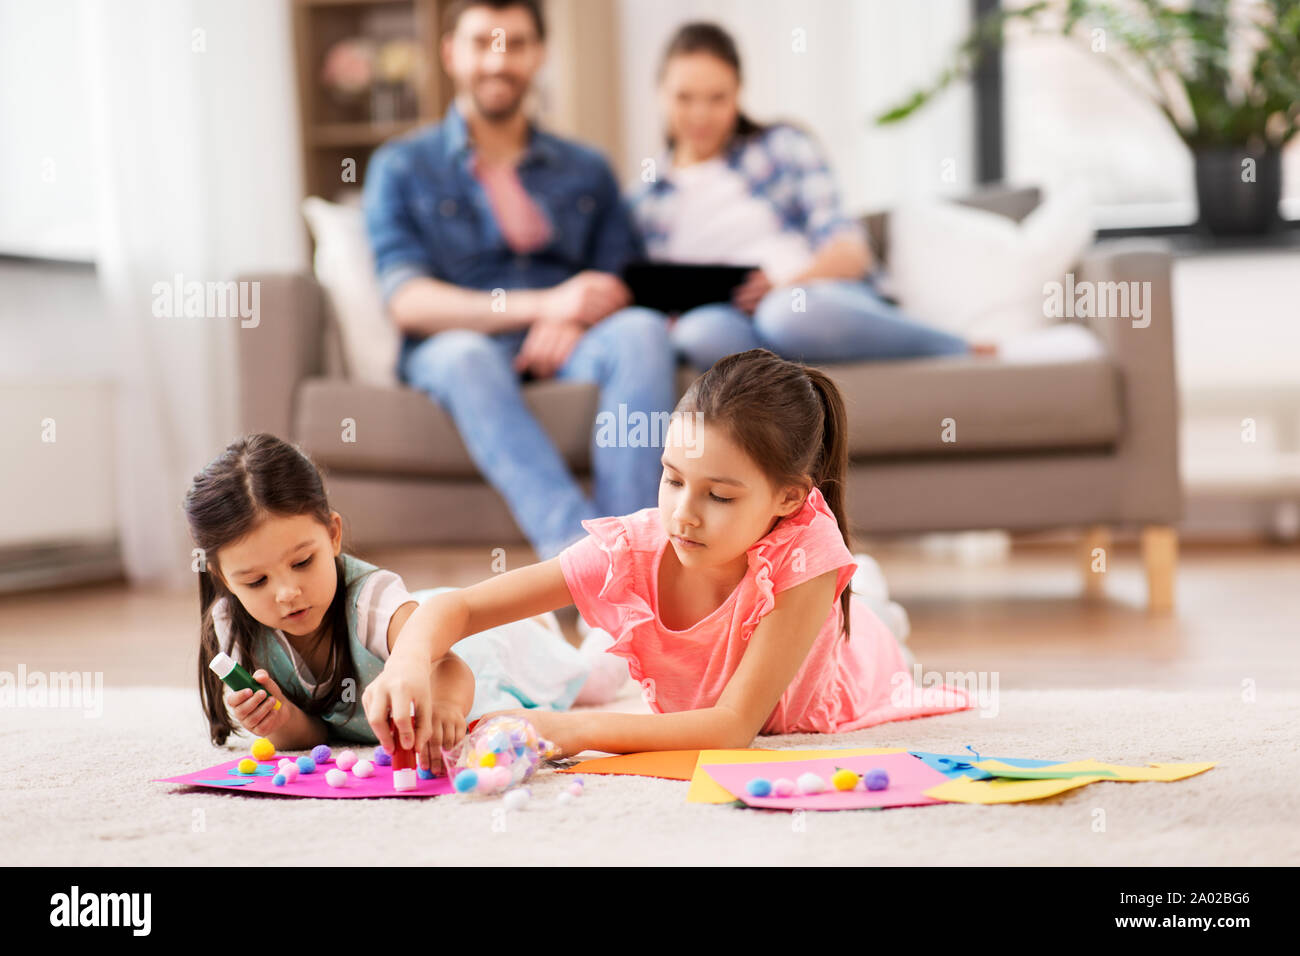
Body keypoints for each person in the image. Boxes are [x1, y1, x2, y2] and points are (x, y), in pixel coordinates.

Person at [360, 350, 973, 761]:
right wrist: (409, 661)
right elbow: (462, 608)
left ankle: (867, 595)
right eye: (672, 478)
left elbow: (732, 728)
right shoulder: (637, 548)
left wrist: (563, 730)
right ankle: (864, 592)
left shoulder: (804, 554)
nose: (684, 512)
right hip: (770, 626)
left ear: (789, 498)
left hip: (846, 669)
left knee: (873, 621)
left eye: (719, 495)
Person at [363, 0, 676, 561]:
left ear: (540, 55)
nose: (498, 60)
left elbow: (621, 279)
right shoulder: (402, 166)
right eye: (483, 42)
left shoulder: (588, 167)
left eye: (516, 43)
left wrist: (573, 314)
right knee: (464, 357)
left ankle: (635, 549)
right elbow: (409, 301)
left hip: (573, 342)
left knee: (642, 332)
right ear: (451, 53)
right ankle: (587, 562)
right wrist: (546, 304)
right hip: (463, 345)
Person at [185, 434, 629, 770]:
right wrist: (277, 720)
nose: (285, 593)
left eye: (302, 562)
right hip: (433, 622)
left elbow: (452, 665)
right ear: (225, 578)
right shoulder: (232, 624)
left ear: (334, 534)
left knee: (596, 682)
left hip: (478, 647)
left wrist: (448, 708)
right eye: (256, 580)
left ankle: (601, 625)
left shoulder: (372, 601)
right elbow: (321, 732)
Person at [629, 22, 985, 369]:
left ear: (738, 94)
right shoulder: (645, 200)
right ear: (660, 93)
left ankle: (956, 347)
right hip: (727, 319)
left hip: (812, 297)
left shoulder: (783, 146)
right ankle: (787, 386)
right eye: (684, 97)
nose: (700, 114)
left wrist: (783, 285)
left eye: (717, 97)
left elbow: (850, 252)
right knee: (699, 336)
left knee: (788, 315)